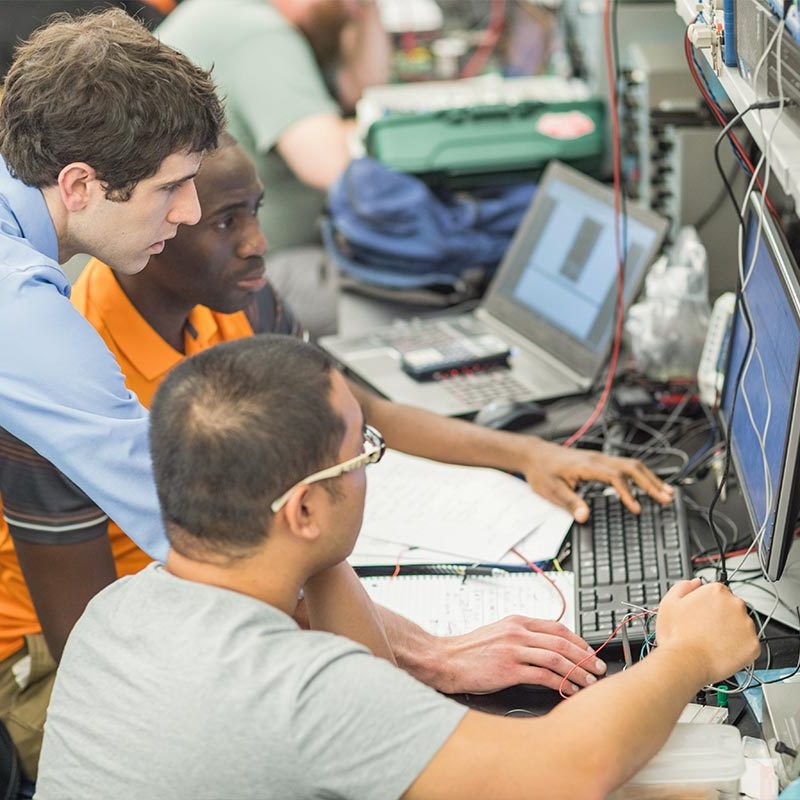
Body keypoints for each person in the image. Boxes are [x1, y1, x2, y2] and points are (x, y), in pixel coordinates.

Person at [0, 135, 672, 776]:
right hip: (65, 653)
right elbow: (83, 636)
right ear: (158, 220)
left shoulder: (239, 300)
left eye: (255, 211)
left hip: (240, 586)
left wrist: (525, 453)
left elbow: (362, 411)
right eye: (225, 221)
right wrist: (426, 655)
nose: (258, 244)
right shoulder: (60, 377)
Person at [35, 335, 760, 800]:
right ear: (301, 510)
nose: (370, 469)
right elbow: (563, 772)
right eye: (362, 453)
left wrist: (321, 549)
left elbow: (372, 678)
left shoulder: (116, 612)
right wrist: (688, 653)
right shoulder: (294, 689)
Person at [157, 0, 392, 335]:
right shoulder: (257, 32)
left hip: (216, 264)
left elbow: (361, 90)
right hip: (238, 272)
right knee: (418, 295)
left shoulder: (241, 14)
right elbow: (331, 164)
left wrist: (367, 11)